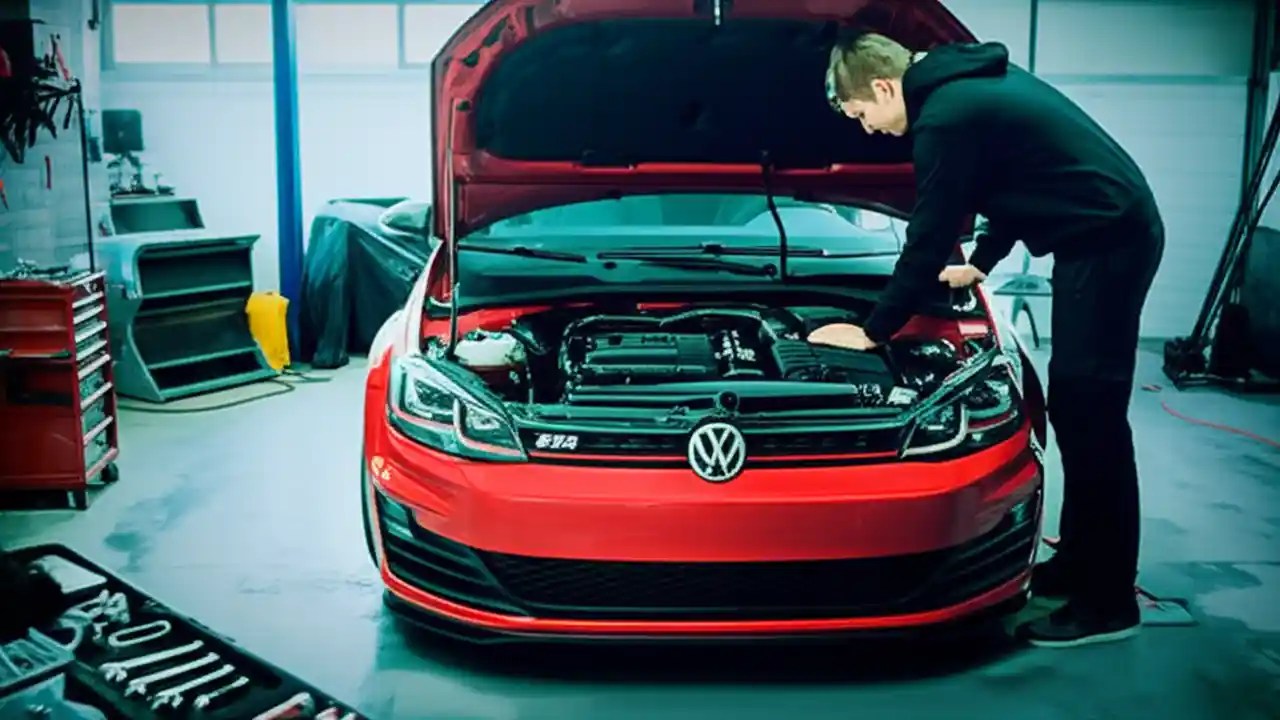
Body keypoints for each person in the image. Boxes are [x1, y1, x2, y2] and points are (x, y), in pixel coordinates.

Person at [810, 31, 1164, 648]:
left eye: (865, 113)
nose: (869, 131)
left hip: (1109, 241)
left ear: (886, 87)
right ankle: (1080, 564)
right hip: (1101, 235)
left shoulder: (945, 115)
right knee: (1079, 411)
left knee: (1093, 417)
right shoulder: (966, 91)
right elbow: (1010, 182)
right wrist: (985, 261)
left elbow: (929, 231)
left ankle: (1107, 602)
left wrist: (873, 331)